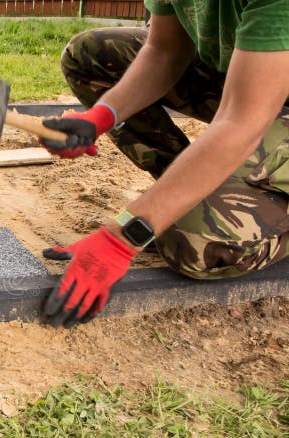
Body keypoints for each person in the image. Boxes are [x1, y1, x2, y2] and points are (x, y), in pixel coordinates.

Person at [38, 0, 289, 328]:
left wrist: (123, 237)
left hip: (262, 102)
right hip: (252, 77)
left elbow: (241, 120)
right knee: (90, 54)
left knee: (193, 244)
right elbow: (163, 50)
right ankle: (192, 192)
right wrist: (101, 117)